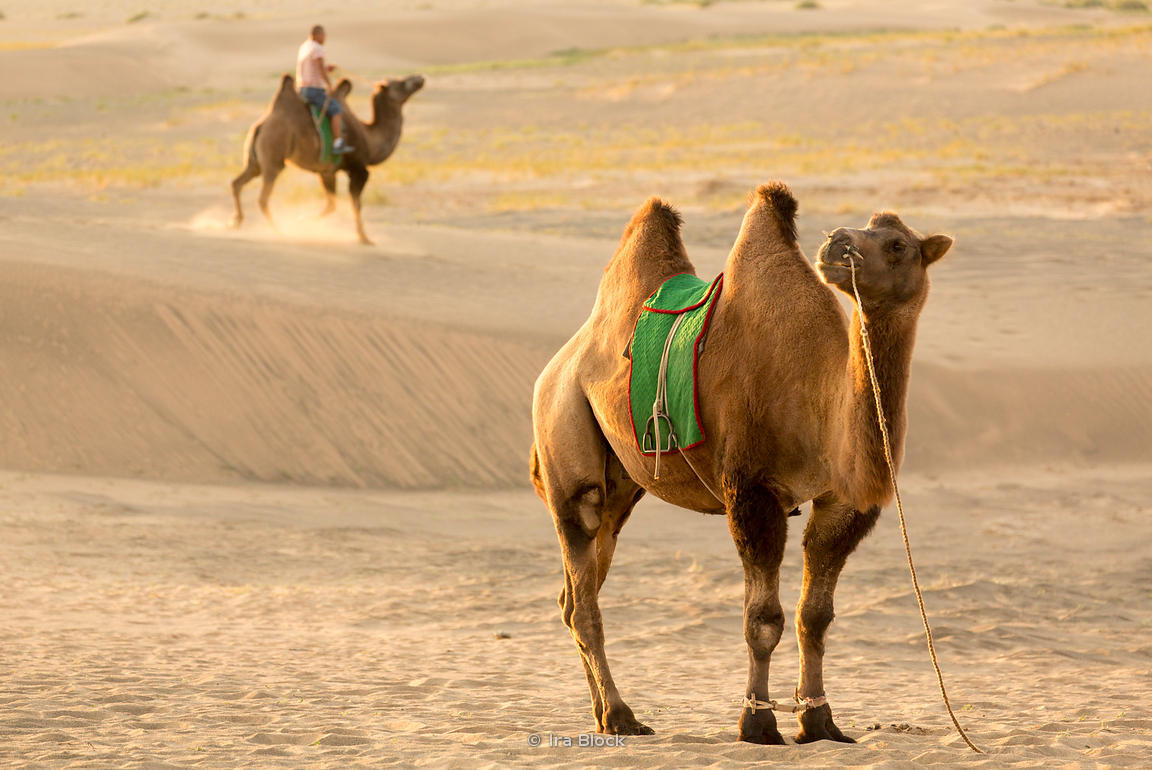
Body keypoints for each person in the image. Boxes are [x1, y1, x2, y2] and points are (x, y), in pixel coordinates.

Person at [296, 25, 353, 154]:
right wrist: (328, 84)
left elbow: (314, 67)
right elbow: (319, 67)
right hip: (314, 90)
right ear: (317, 35)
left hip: (302, 88)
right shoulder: (317, 48)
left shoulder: (305, 47)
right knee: (336, 110)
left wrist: (327, 68)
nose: (324, 38)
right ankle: (338, 143)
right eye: (323, 35)